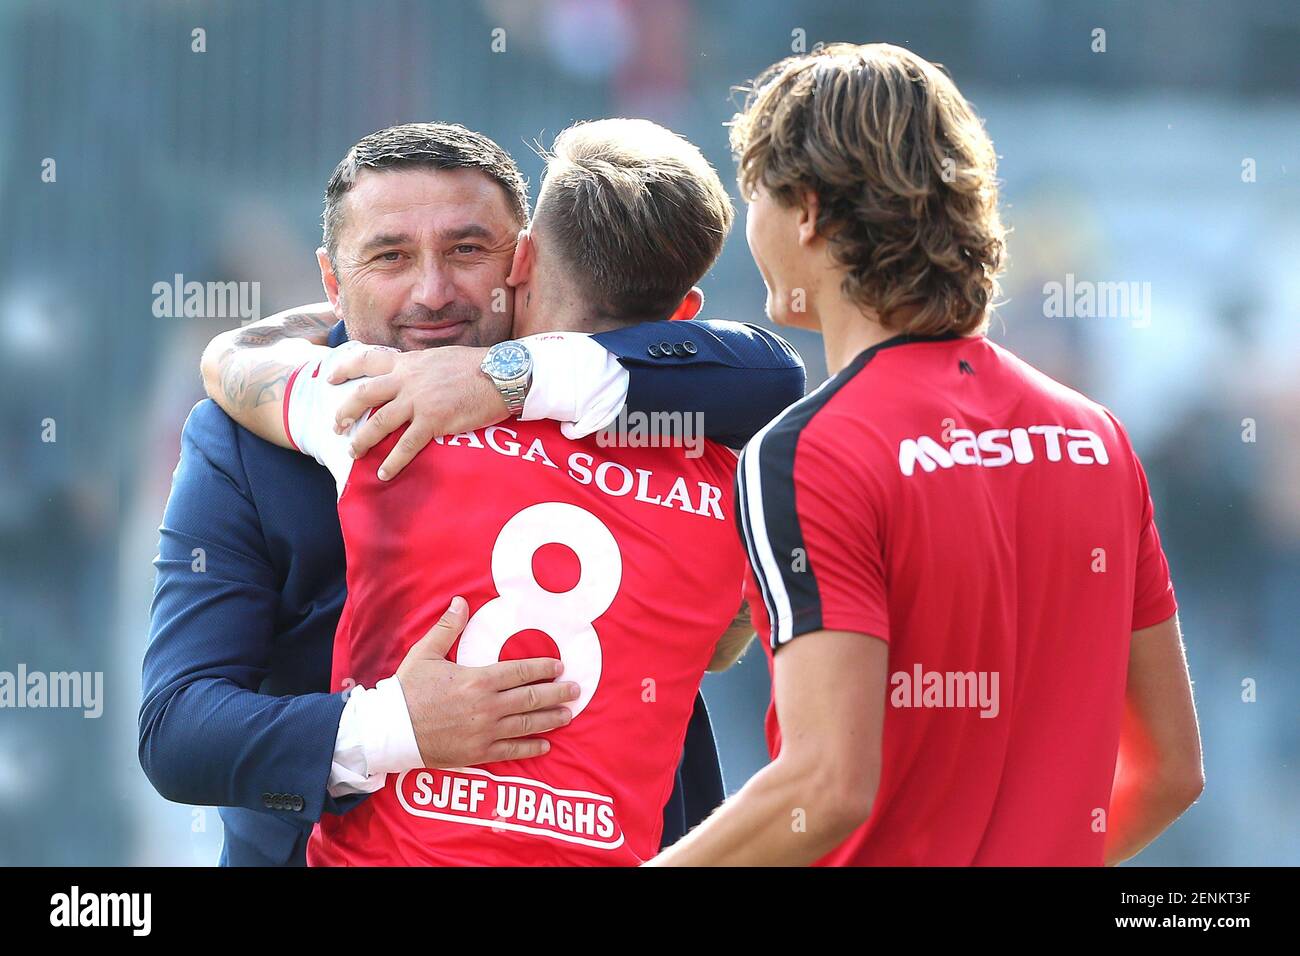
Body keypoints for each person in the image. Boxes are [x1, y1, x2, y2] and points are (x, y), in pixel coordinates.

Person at [141, 122, 804, 866]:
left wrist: (510, 376)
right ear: (334, 281)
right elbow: (178, 730)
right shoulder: (252, 438)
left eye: (465, 251)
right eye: (390, 256)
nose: (432, 293)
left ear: (524, 259)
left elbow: (771, 370)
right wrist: (391, 726)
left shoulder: (640, 406)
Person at [649, 43, 1203, 866]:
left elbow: (825, 786)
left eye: (754, 195)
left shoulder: (806, 454)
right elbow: (1170, 772)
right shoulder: (1096, 438)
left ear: (806, 210)